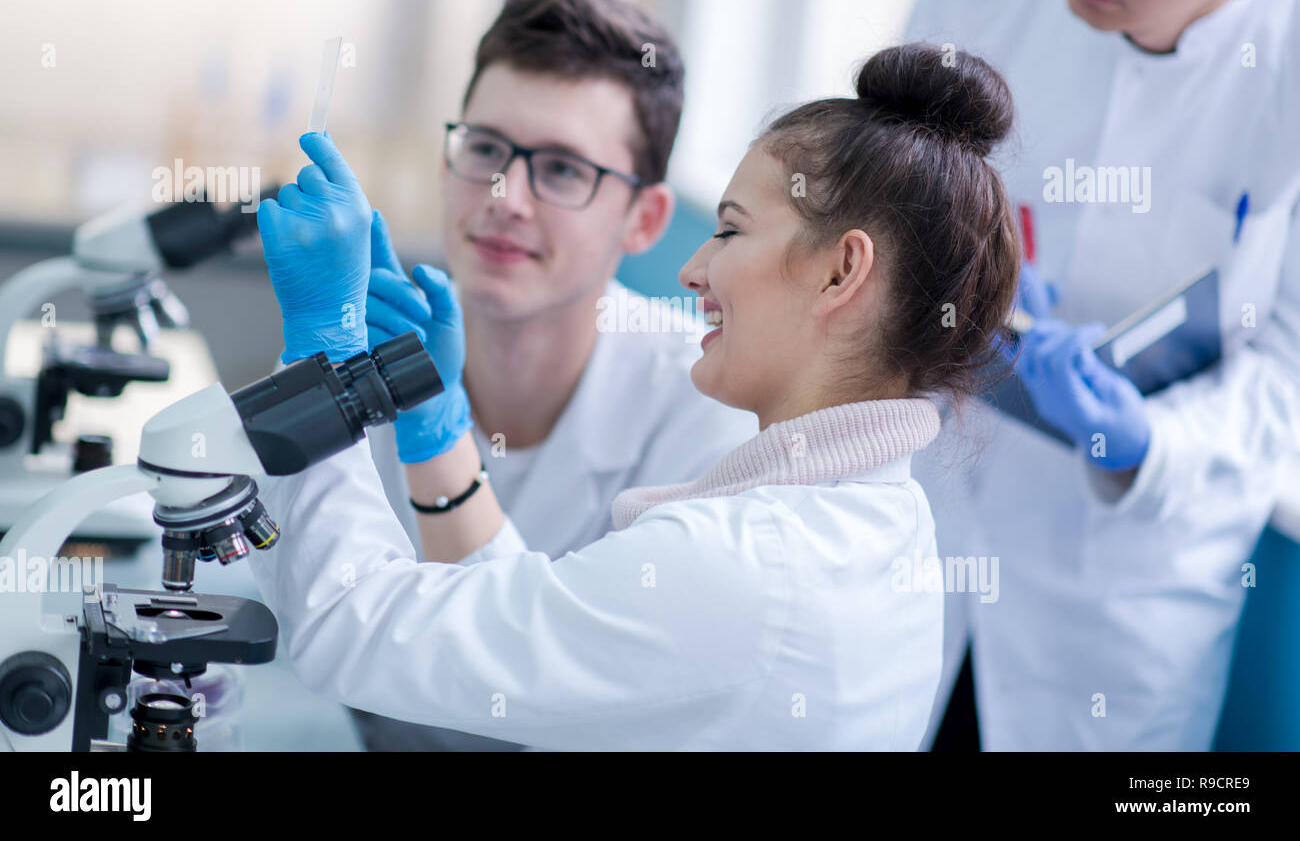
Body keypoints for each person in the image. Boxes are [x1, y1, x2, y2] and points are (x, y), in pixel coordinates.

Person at [247, 43, 1022, 750]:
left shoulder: (749, 565)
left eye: (729, 231)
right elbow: (540, 629)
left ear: (839, 273)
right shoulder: (886, 519)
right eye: (483, 150)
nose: (694, 270)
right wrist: (439, 432)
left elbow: (354, 628)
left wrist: (323, 350)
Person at [904, 0, 1300, 750]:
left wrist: (1146, 446)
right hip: (926, 501)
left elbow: (1288, 369)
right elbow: (886, 189)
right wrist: (958, 263)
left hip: (1123, 595)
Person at [362, 0, 757, 749]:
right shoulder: (366, 351)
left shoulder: (705, 411)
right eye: (484, 150)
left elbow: (589, 694)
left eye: (564, 170)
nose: (506, 198)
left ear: (643, 220)